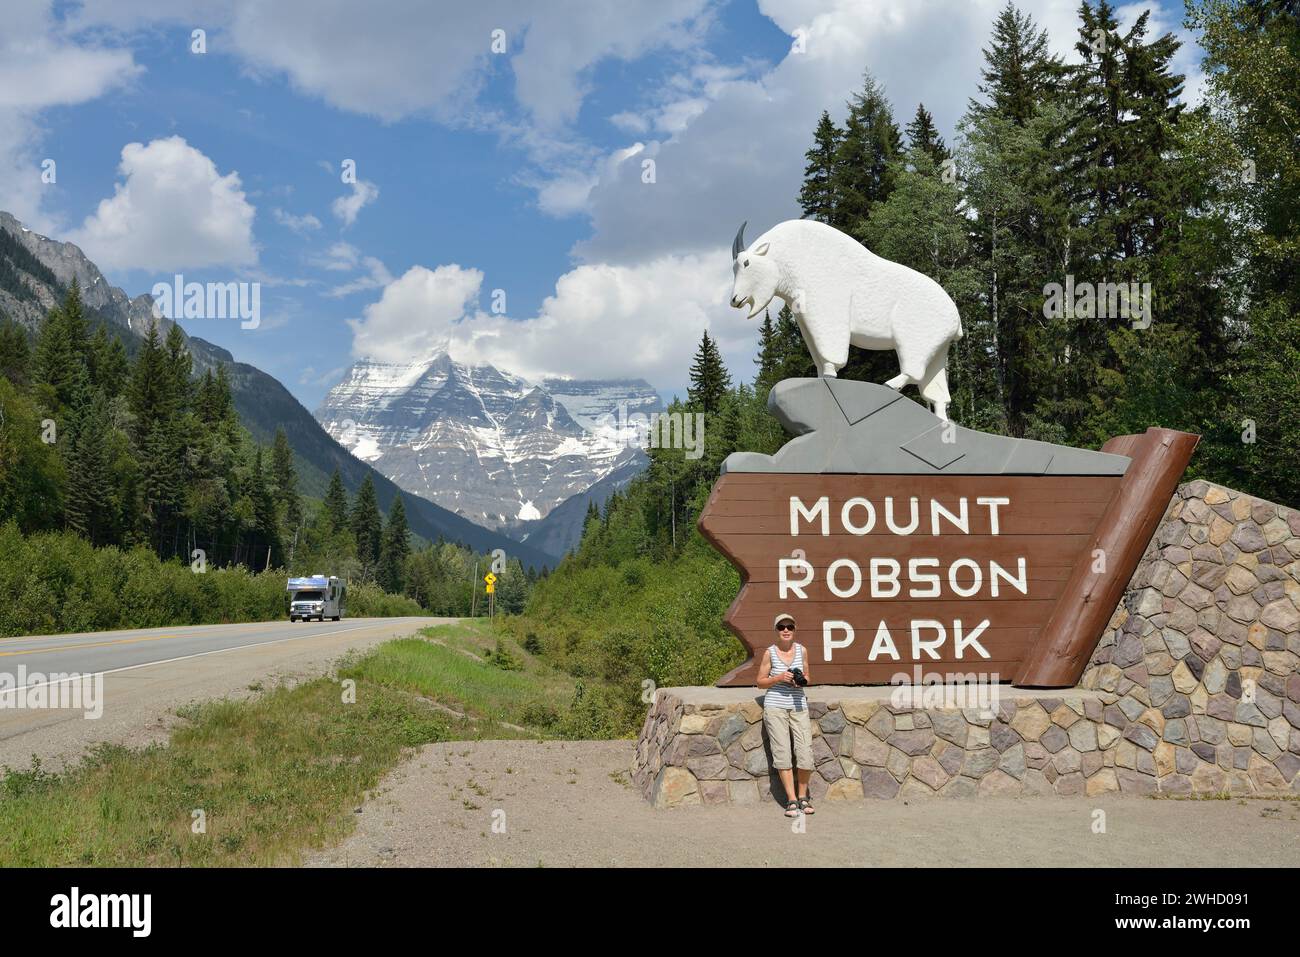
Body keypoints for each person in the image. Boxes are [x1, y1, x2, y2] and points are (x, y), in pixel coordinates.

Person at [755, 612, 814, 817]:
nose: (786, 630)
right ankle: (791, 800)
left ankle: (803, 796)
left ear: (795, 629)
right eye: (781, 627)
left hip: (798, 706)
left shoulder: (802, 651)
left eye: (789, 626)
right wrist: (780, 677)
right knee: (783, 754)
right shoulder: (769, 653)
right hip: (776, 707)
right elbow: (760, 682)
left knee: (805, 752)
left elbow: (807, 675)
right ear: (776, 631)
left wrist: (800, 680)